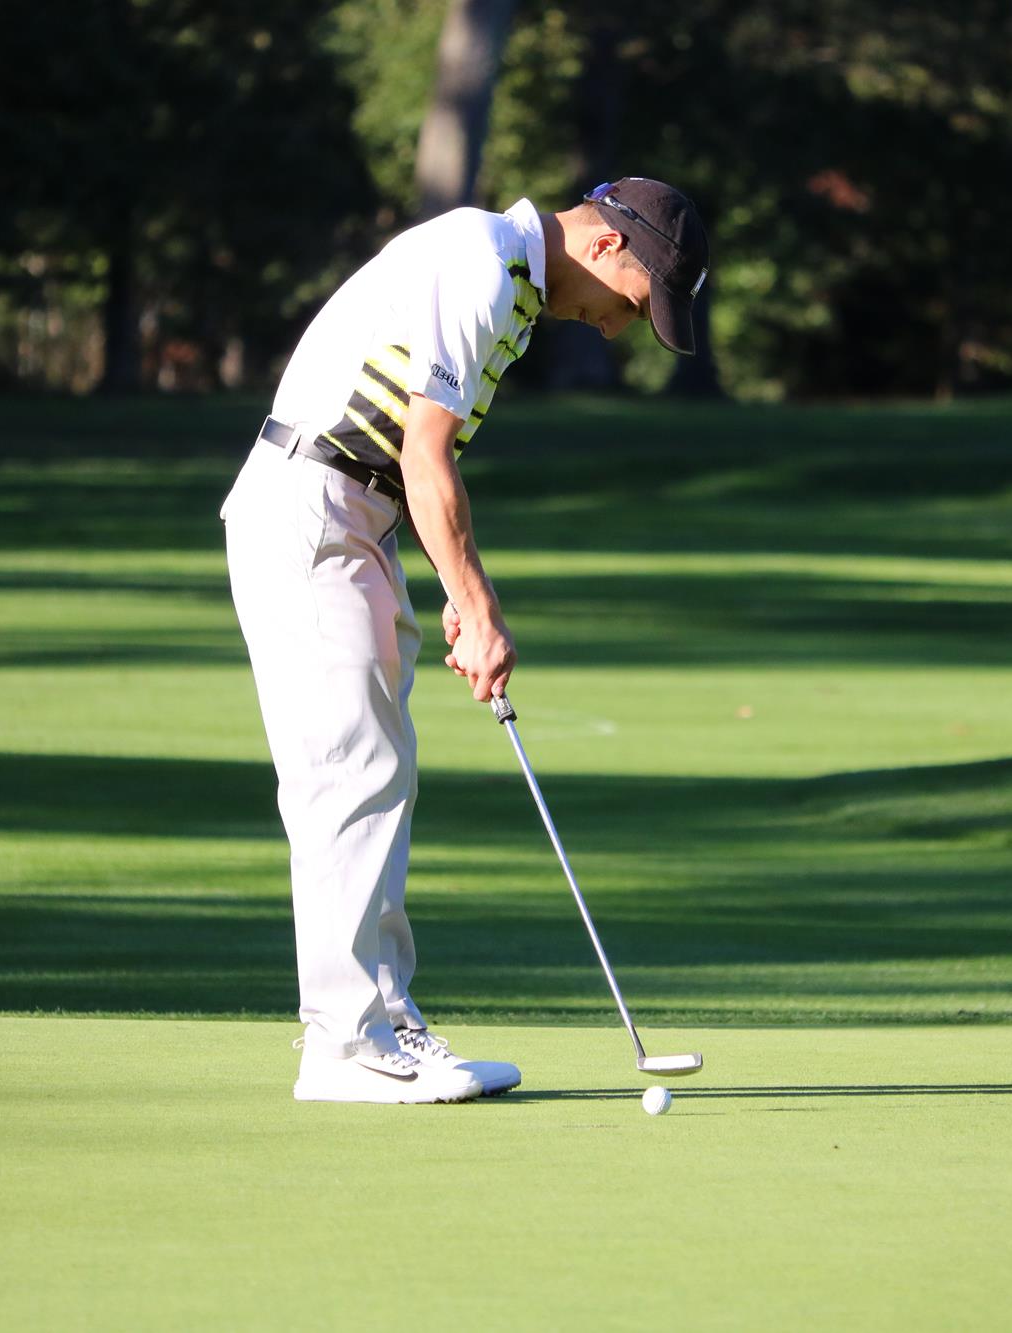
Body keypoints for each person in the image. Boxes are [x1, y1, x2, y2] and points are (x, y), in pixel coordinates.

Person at [221, 179, 711, 1104]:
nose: (614, 328)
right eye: (633, 307)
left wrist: (455, 583)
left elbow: (403, 455)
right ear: (610, 249)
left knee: (376, 769)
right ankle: (349, 1044)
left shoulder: (512, 290)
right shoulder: (480, 260)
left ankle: (380, 1020)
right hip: (315, 503)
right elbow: (423, 452)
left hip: (348, 512)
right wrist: (476, 605)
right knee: (350, 770)